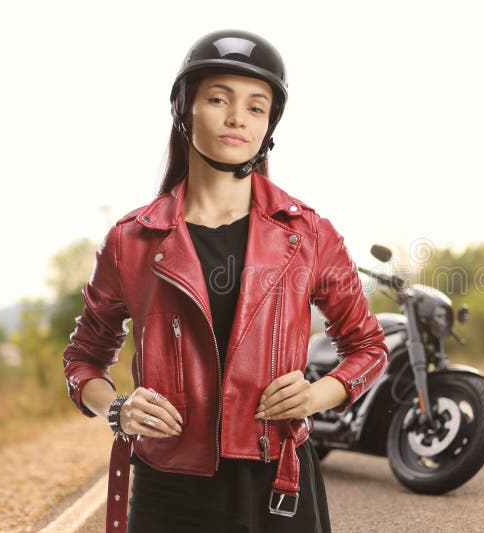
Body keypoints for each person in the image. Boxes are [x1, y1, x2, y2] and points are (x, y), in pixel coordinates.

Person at [61, 29, 389, 533]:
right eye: (218, 99)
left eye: (257, 107)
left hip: (279, 482)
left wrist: (318, 395)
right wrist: (118, 410)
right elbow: (83, 358)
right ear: (184, 109)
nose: (237, 117)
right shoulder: (131, 241)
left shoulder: (310, 233)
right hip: (166, 487)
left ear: (269, 126)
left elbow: (368, 346)